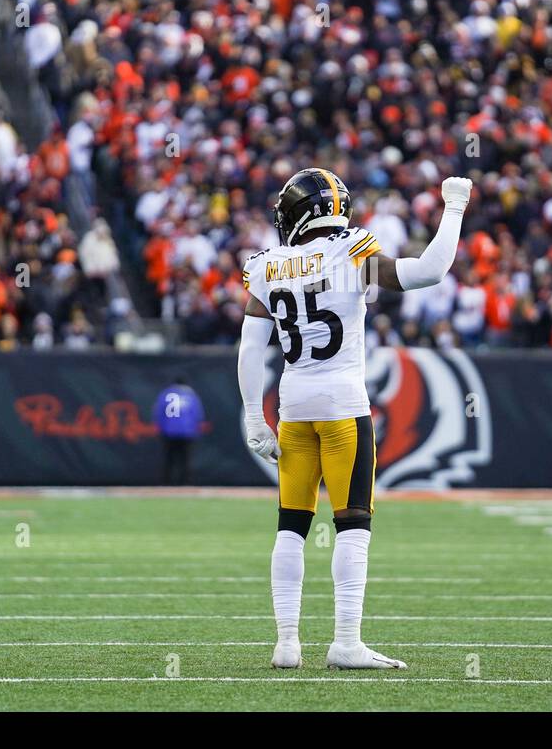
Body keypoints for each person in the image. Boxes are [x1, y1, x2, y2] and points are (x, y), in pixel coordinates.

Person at [238, 169, 472, 670]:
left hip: (293, 407)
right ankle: (345, 641)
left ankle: (286, 643)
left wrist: (253, 417)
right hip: (344, 405)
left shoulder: (269, 265)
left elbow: (250, 347)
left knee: (290, 526)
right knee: (352, 527)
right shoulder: (352, 251)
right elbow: (429, 271)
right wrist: (453, 208)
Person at [153, 377, 205, 486]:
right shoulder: (191, 395)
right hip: (187, 431)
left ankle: (166, 483)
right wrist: (195, 429)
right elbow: (197, 414)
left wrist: (162, 428)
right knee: (185, 459)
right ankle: (185, 483)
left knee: (169, 459)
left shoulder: (166, 394)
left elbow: (159, 413)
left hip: (169, 431)